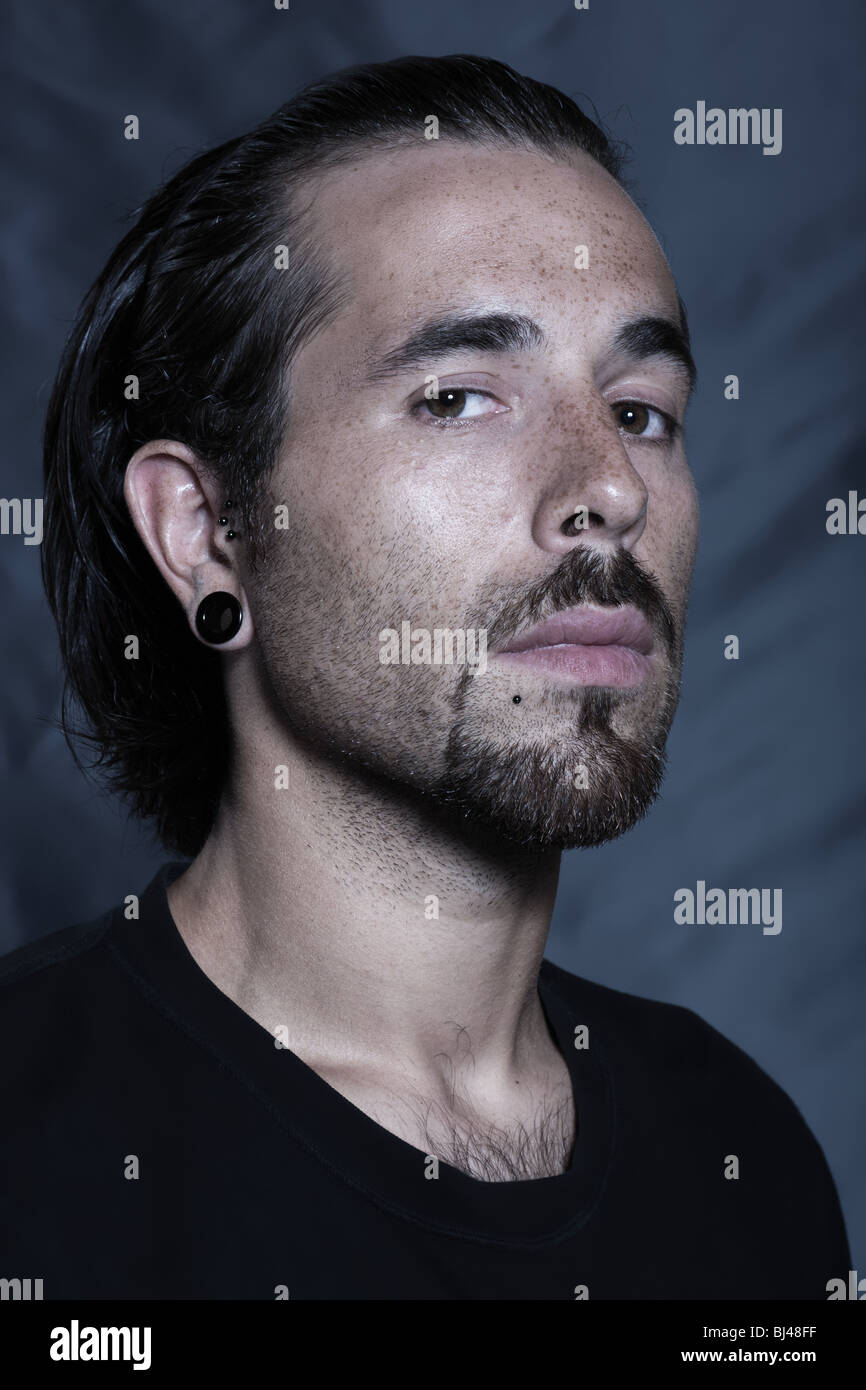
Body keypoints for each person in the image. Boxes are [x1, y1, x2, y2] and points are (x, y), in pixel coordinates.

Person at [1, 55, 849, 1300]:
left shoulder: (738, 1150)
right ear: (205, 531)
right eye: (458, 398)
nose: (606, 489)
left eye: (639, 408)